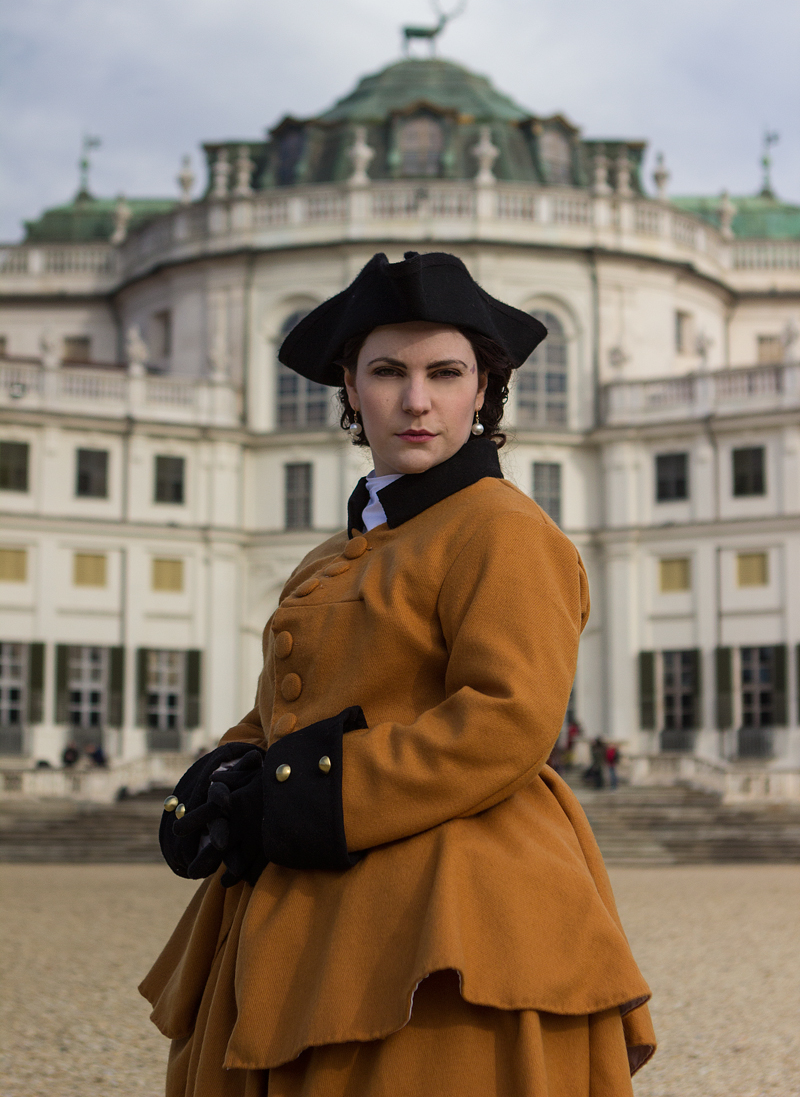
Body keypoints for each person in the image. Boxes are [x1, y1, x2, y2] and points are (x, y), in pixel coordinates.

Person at [141, 251, 655, 1097]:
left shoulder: (503, 529)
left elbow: (507, 720)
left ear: (483, 390)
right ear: (349, 387)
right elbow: (283, 708)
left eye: (445, 373)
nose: (416, 401)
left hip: (449, 901)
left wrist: (307, 796)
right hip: (307, 885)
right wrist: (225, 776)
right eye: (388, 372)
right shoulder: (333, 550)